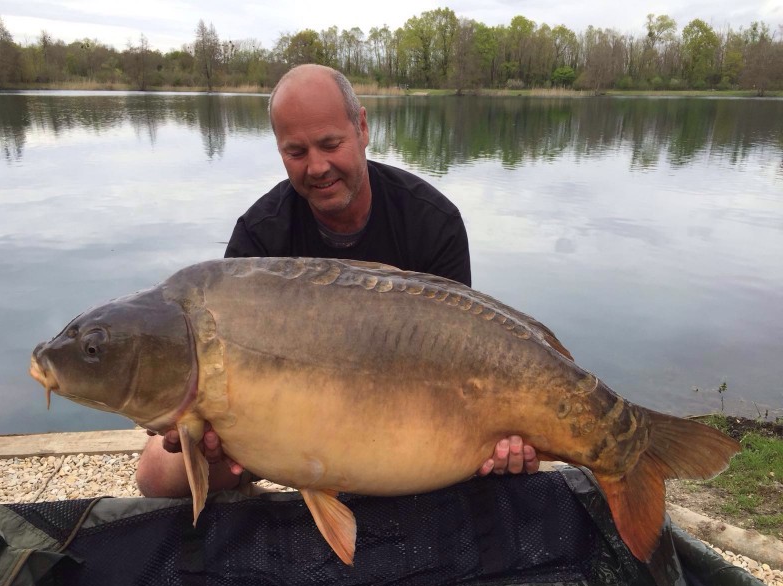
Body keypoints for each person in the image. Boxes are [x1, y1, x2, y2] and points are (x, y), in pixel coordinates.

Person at [135, 64, 539, 499]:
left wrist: (502, 445)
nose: (317, 166)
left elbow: (466, 359)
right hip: (281, 431)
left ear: (362, 127)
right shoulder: (259, 236)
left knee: (500, 464)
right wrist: (207, 441)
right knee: (156, 475)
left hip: (408, 423)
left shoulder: (431, 221)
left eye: (331, 144)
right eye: (296, 152)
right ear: (279, 149)